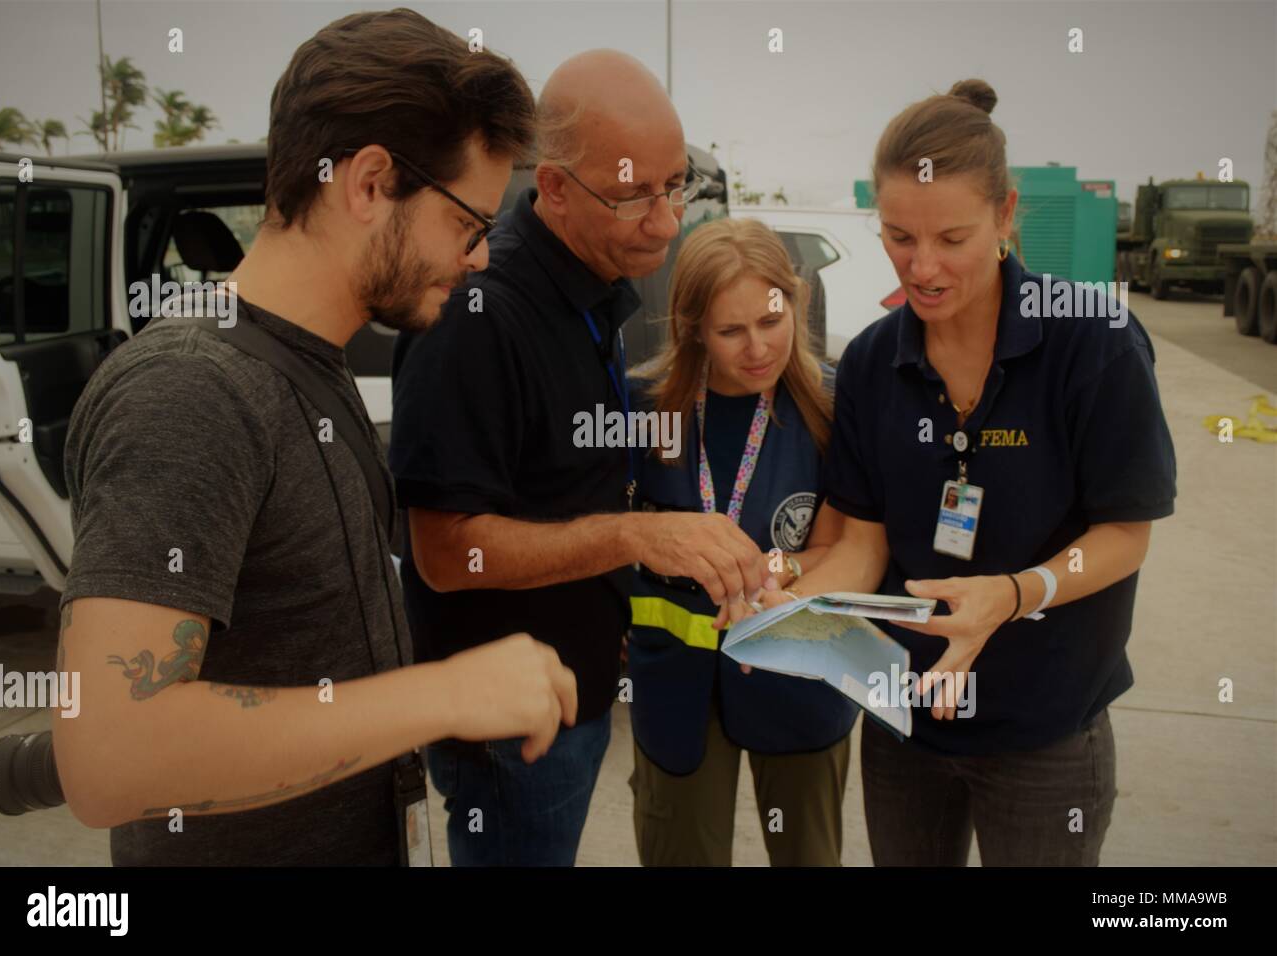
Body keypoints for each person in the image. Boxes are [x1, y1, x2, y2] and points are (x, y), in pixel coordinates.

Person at [52, 10, 578, 866]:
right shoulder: (191, 391)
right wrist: (444, 694)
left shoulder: (306, 363)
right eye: (469, 225)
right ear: (368, 184)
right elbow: (108, 756)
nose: (481, 258)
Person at [752, 78, 1176, 866]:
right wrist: (783, 603)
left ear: (1006, 214)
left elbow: (1125, 533)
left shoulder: (1095, 342)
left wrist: (1015, 594)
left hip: (1045, 733)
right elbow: (863, 547)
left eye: (952, 238)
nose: (923, 267)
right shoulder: (873, 362)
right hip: (907, 723)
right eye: (898, 237)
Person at [389, 50, 767, 867]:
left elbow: (563, 485)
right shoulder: (477, 313)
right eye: (633, 196)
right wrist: (635, 539)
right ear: (554, 188)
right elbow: (445, 554)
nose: (666, 223)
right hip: (511, 722)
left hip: (578, 683)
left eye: (675, 186)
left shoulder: (592, 283)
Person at [626, 218, 857, 866]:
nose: (758, 348)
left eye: (772, 320)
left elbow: (847, 548)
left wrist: (776, 569)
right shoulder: (644, 411)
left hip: (802, 683)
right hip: (677, 693)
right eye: (731, 331)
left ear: (796, 302)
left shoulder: (833, 408)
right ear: (692, 327)